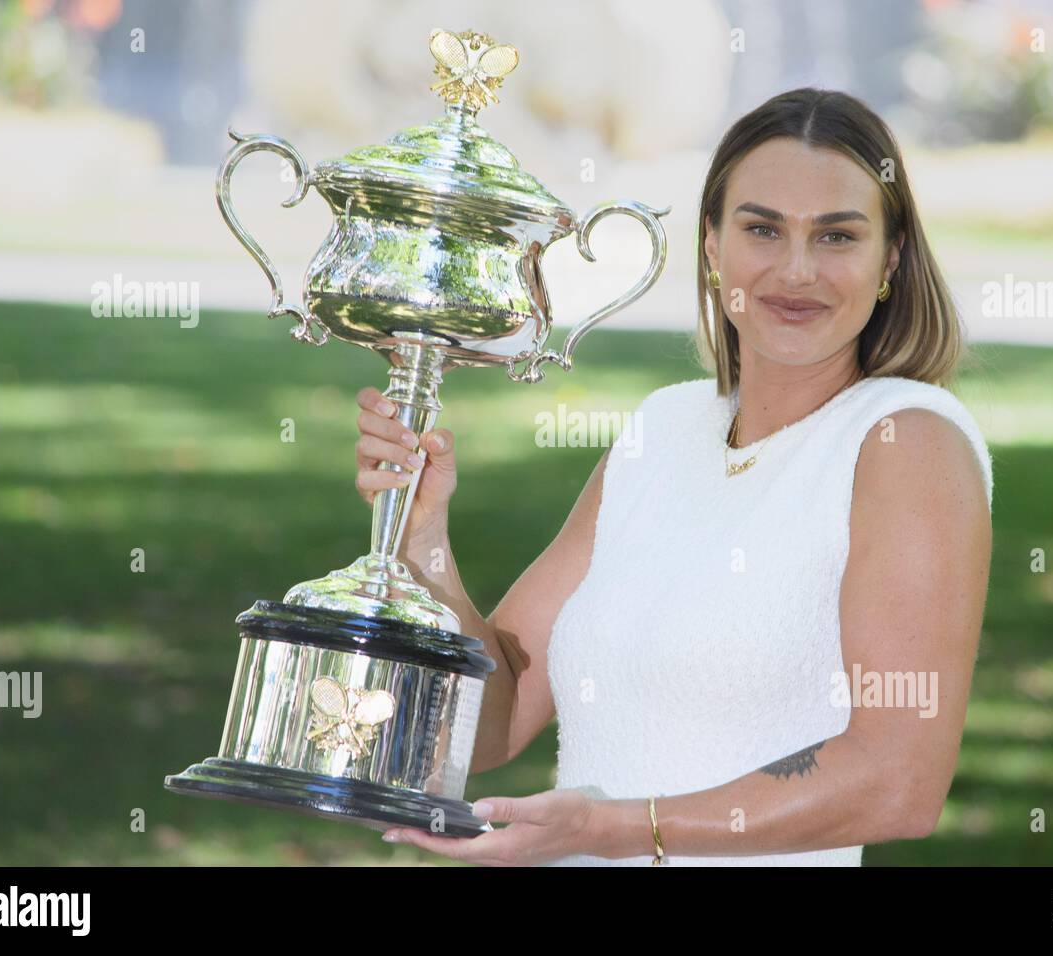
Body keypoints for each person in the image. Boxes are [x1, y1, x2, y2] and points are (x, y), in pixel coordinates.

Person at [362, 88, 994, 866]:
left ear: (890, 259)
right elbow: (493, 724)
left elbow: (898, 781)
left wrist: (613, 829)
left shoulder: (904, 442)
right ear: (712, 244)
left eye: (837, 236)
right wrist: (425, 540)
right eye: (762, 229)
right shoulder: (661, 431)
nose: (797, 270)